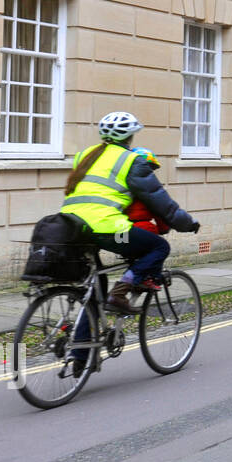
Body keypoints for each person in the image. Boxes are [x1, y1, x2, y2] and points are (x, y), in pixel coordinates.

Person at [61, 112, 200, 315]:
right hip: (109, 229)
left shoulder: (85, 155)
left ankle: (82, 346)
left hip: (70, 225)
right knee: (159, 247)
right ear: (131, 136)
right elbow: (160, 201)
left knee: (95, 291)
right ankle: (120, 292)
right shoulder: (131, 160)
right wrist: (188, 223)